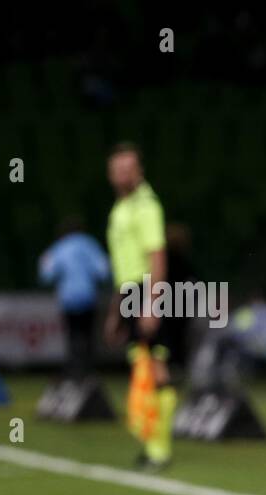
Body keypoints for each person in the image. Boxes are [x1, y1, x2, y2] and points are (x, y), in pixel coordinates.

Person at [104, 142, 176, 470]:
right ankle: (151, 443)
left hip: (147, 290)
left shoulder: (147, 206)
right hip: (131, 291)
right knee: (143, 367)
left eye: (128, 169)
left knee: (155, 366)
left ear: (139, 172)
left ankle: (159, 449)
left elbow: (156, 257)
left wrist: (152, 303)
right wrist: (115, 311)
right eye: (117, 169)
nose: (122, 175)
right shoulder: (121, 209)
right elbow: (123, 266)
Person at [38, 216, 110, 378]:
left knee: (72, 335)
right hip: (88, 297)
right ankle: (88, 371)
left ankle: (74, 370)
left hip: (68, 298)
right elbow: (103, 270)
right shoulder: (89, 244)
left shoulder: (60, 247)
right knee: (88, 335)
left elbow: (46, 273)